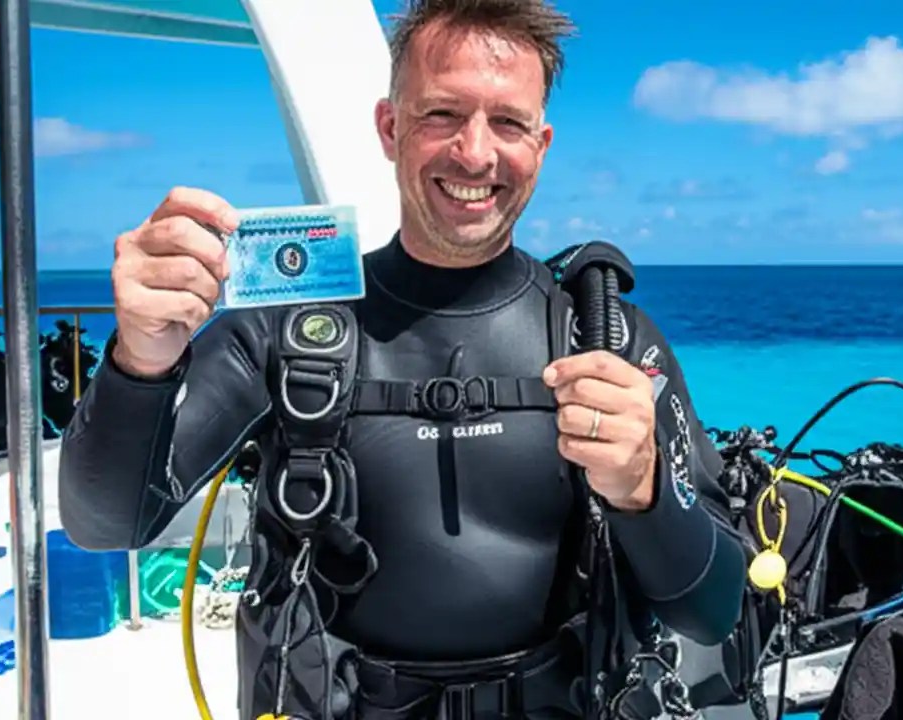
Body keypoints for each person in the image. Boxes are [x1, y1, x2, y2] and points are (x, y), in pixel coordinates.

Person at [57, 0, 749, 717]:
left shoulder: (610, 340)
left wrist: (646, 492)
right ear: (390, 128)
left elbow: (713, 610)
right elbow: (105, 523)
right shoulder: (283, 333)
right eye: (442, 114)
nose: (475, 153)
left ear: (540, 145)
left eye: (507, 123)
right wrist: (140, 359)